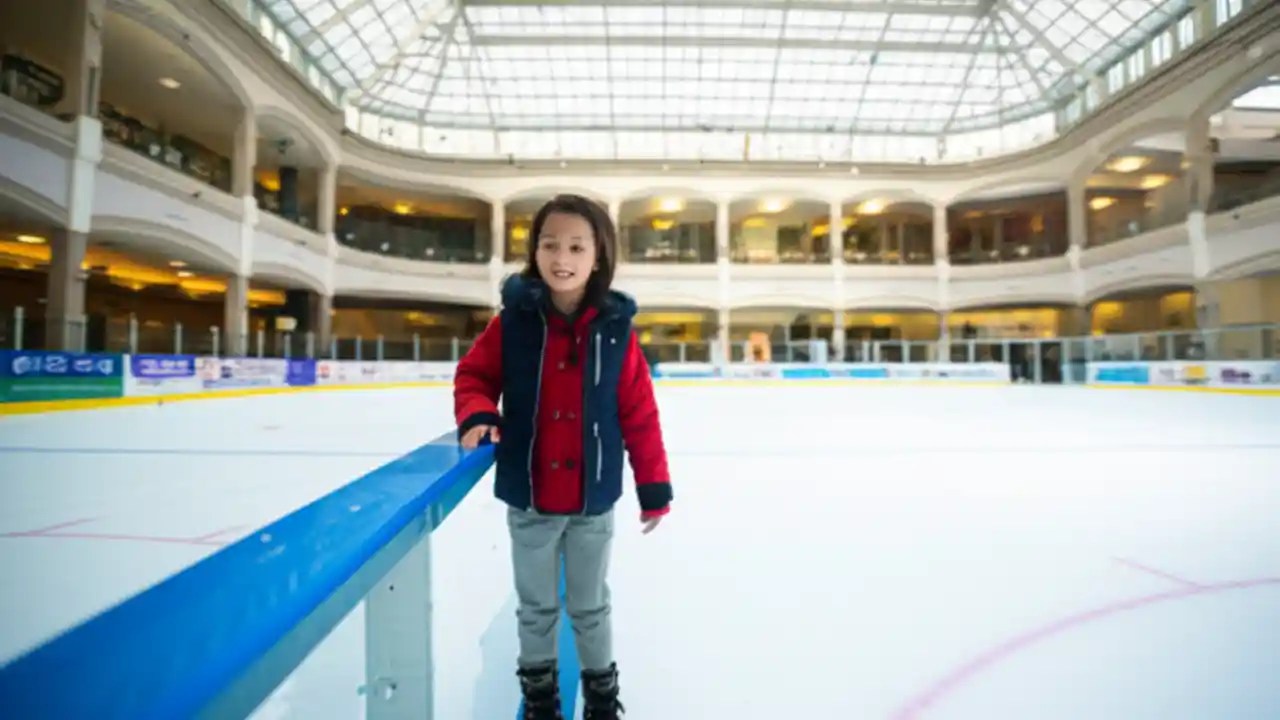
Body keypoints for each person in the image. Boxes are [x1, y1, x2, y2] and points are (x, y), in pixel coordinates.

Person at [453, 193, 673, 720]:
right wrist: (479, 413)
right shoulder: (514, 323)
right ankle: (540, 699)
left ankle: (601, 698)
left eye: (576, 246)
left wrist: (653, 487)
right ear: (535, 252)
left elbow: (639, 412)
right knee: (537, 609)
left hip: (592, 499)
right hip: (529, 496)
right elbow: (474, 376)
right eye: (550, 244)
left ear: (598, 255)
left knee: (590, 606)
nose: (561, 257)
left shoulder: (617, 332)